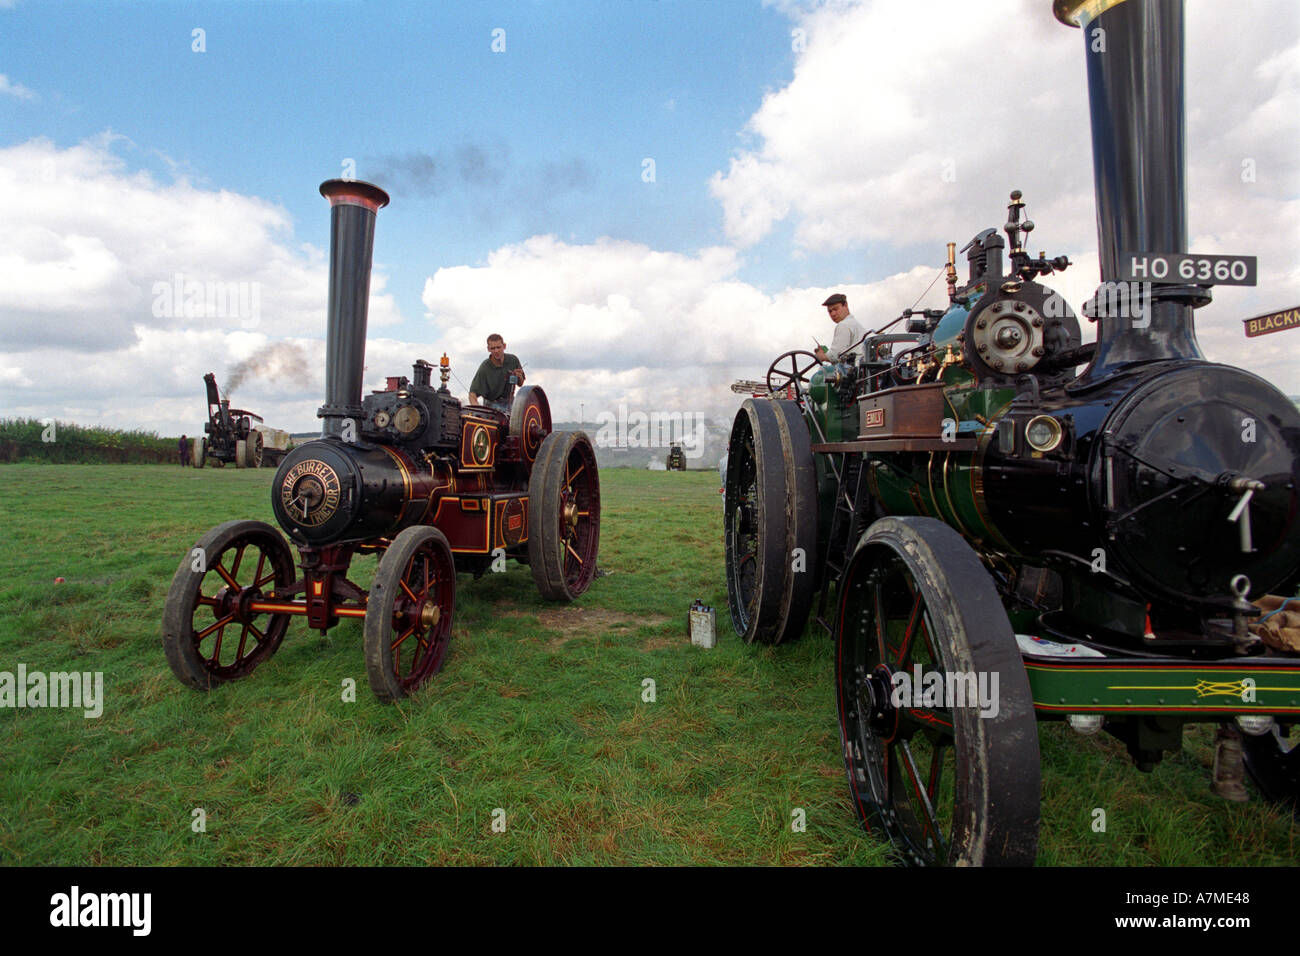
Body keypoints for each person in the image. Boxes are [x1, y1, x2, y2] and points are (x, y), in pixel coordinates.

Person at [468, 334, 525, 413]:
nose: (496, 351)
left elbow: (520, 383)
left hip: (510, 402)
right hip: (491, 405)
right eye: (493, 348)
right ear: (488, 349)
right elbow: (472, 394)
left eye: (498, 347)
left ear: (504, 346)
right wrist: (478, 411)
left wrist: (519, 377)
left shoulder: (513, 360)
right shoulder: (485, 367)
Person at [814, 293, 866, 365]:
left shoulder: (843, 325)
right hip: (859, 365)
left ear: (845, 305)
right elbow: (841, 353)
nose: (833, 314)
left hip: (852, 370)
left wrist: (821, 356)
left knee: (819, 375)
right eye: (830, 311)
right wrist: (827, 352)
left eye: (835, 309)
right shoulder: (855, 324)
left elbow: (835, 356)